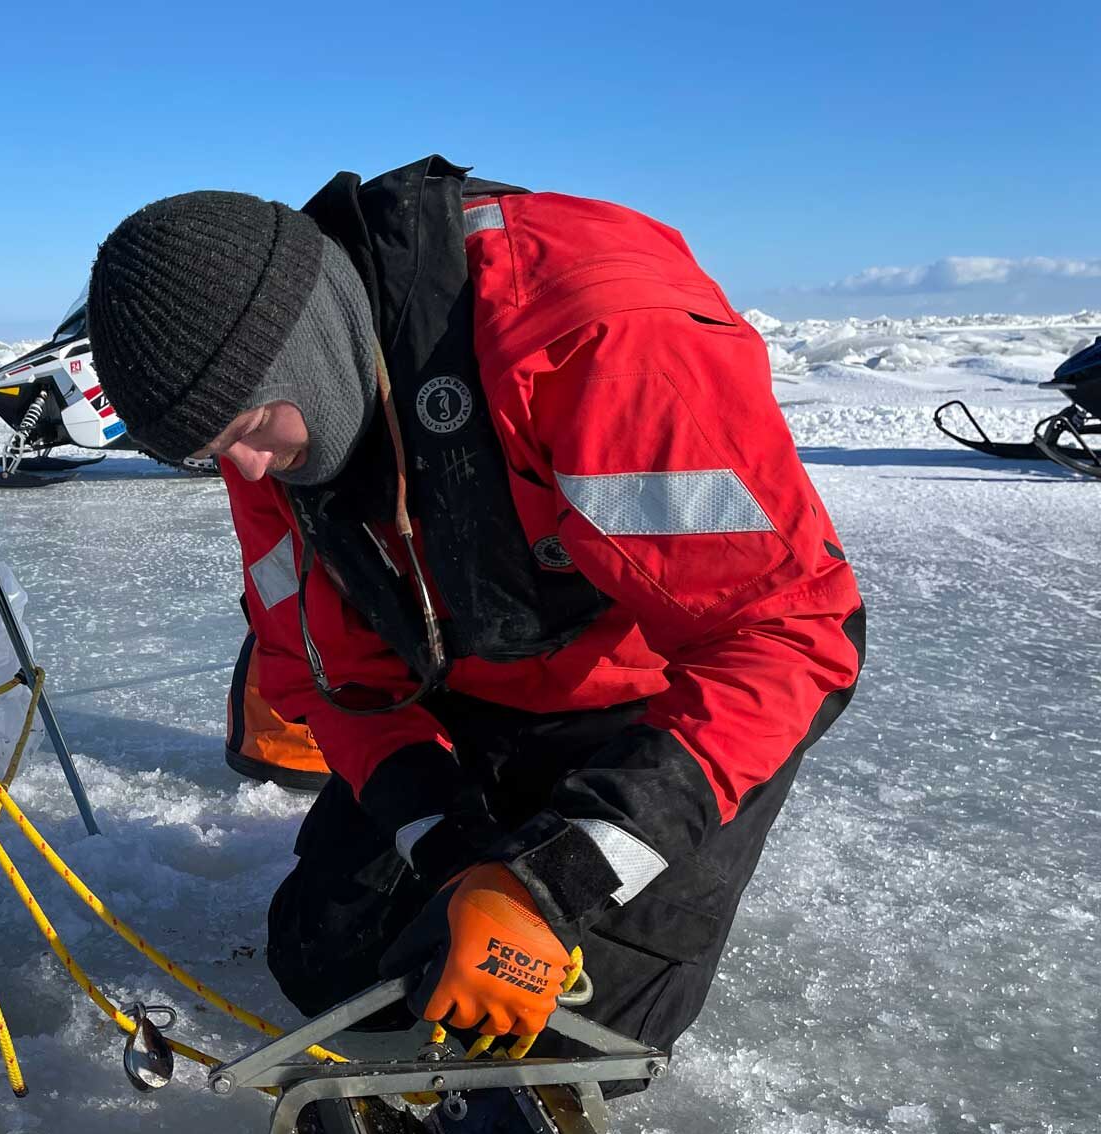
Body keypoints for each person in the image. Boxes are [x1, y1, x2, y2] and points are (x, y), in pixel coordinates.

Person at [87, 155, 865, 1063]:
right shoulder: (263, 431)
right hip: (469, 686)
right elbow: (337, 679)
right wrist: (455, 850)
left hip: (659, 707)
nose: (248, 471)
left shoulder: (595, 339)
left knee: (568, 1034)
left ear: (306, 344)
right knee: (333, 965)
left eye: (252, 433)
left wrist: (552, 885)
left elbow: (787, 635)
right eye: (216, 455)